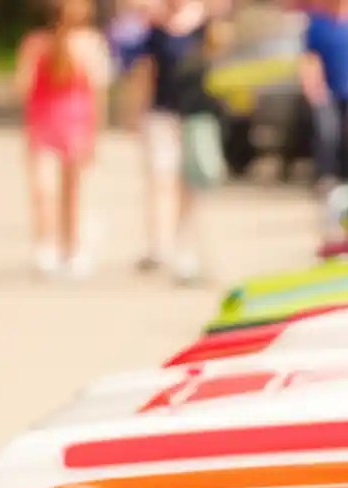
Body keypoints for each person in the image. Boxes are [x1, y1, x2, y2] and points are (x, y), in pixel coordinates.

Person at [127, 0, 230, 284]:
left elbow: (221, 60)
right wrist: (136, 111)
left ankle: (183, 243)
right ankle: (159, 245)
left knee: (189, 183)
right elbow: (145, 70)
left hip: (195, 115)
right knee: (161, 178)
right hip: (161, 113)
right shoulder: (156, 28)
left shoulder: (207, 24)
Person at [17, 0, 112, 280]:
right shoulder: (35, 43)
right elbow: (22, 87)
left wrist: (97, 133)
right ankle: (46, 243)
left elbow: (98, 92)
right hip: (44, 124)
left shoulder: (91, 44)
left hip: (77, 125)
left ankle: (72, 248)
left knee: (73, 192)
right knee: (44, 189)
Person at [300, 0, 348, 193]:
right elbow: (311, 58)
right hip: (326, 89)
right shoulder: (318, 26)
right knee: (327, 133)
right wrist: (313, 86)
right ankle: (326, 175)